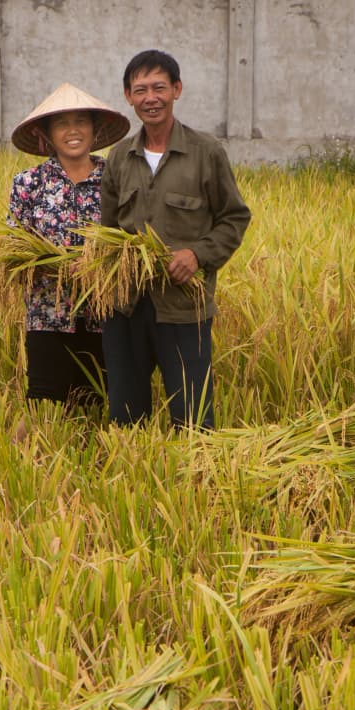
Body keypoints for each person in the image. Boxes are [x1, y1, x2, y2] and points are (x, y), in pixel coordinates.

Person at [100, 50, 251, 429]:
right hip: (127, 306)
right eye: (140, 90)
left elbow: (234, 217)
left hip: (183, 308)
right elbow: (107, 232)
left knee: (193, 417)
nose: (150, 98)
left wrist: (198, 255)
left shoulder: (206, 153)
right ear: (128, 97)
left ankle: (197, 483)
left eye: (159, 88)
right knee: (125, 418)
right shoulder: (118, 159)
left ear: (177, 90)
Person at [7, 83, 130, 414]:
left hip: (104, 314)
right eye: (62, 123)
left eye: (81, 121)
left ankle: (90, 465)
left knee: (96, 404)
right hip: (48, 314)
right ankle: (27, 464)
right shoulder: (28, 184)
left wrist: (96, 266)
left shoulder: (115, 179)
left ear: (94, 129)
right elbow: (12, 248)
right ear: (47, 134)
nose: (72, 131)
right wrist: (53, 266)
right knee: (43, 403)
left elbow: (132, 241)